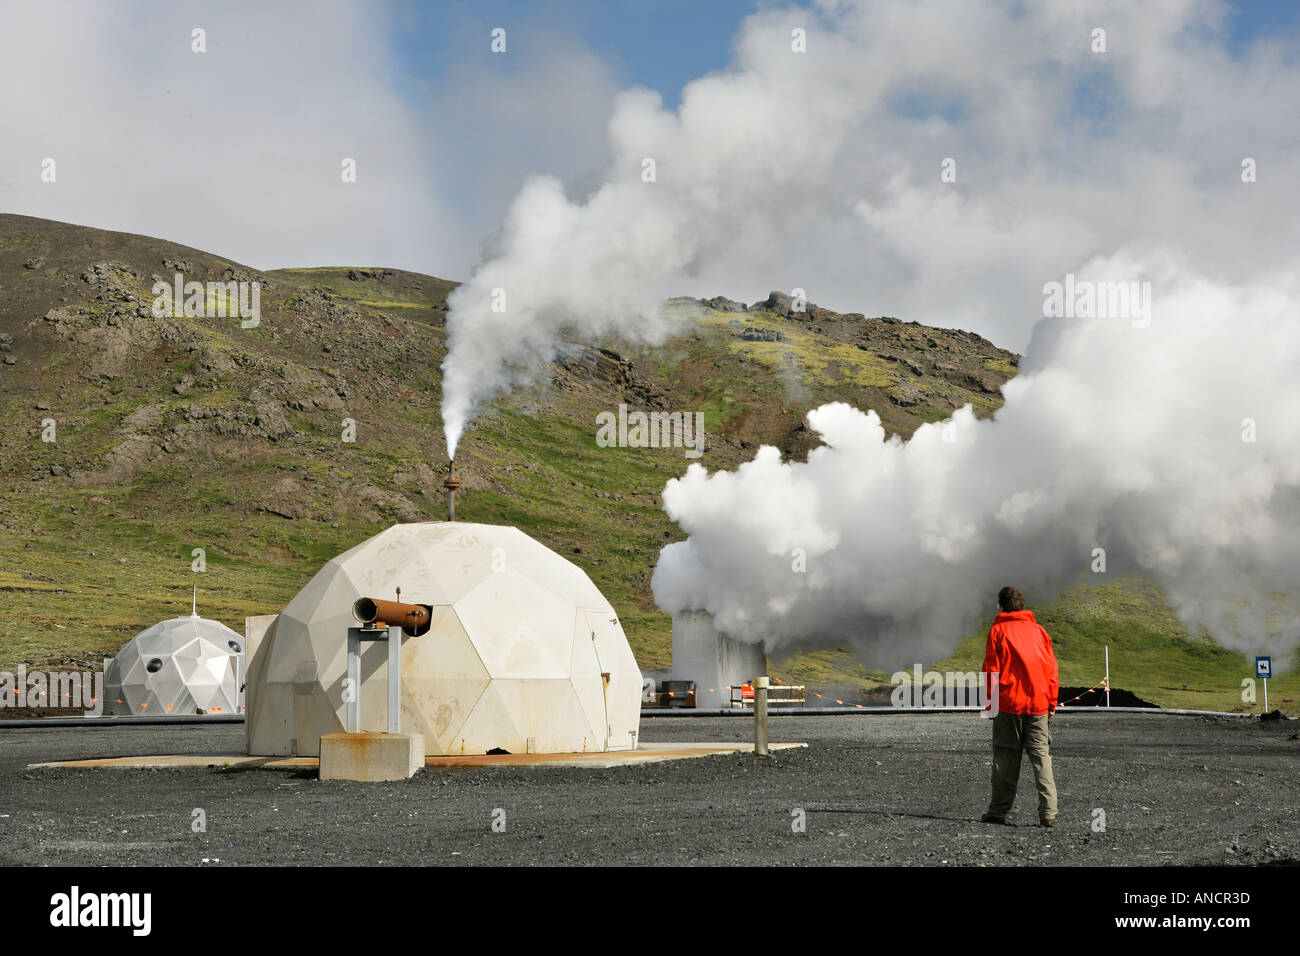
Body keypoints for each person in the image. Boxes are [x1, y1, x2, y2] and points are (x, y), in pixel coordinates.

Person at [981, 586, 1059, 827]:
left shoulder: (997, 632)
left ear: (1001, 606)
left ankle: (998, 811)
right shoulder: (1040, 632)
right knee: (1041, 758)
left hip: (1009, 705)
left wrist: (989, 705)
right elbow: (1052, 670)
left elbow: (991, 670)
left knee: (1005, 758)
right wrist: (1052, 702)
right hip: (1038, 705)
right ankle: (1048, 813)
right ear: (1021, 605)